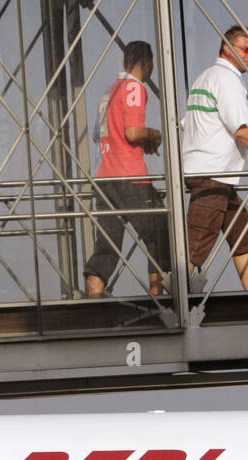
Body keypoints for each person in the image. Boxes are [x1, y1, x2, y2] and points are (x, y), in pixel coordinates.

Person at [181, 27, 248, 291]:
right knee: (196, 242)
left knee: (242, 236)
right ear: (227, 48)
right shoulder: (227, 79)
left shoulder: (205, 77)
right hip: (212, 173)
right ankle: (172, 299)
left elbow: (186, 123)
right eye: (245, 49)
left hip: (214, 173)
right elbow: (241, 130)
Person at [84, 42, 170, 299]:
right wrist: (153, 134)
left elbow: (100, 137)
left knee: (107, 246)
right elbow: (132, 132)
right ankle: (159, 300)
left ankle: (93, 302)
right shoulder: (134, 87)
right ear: (150, 64)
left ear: (124, 62)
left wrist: (141, 142)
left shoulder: (108, 93)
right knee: (159, 233)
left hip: (105, 178)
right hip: (131, 178)